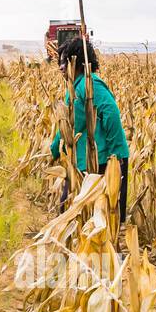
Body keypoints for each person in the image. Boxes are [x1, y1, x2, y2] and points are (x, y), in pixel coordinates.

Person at [49, 36, 130, 220]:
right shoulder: (76, 89)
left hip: (103, 160)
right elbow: (68, 125)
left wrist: (115, 156)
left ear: (76, 62)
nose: (61, 68)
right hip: (86, 160)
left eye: (64, 62)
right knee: (71, 209)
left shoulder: (89, 85)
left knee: (103, 216)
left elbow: (111, 114)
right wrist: (55, 149)